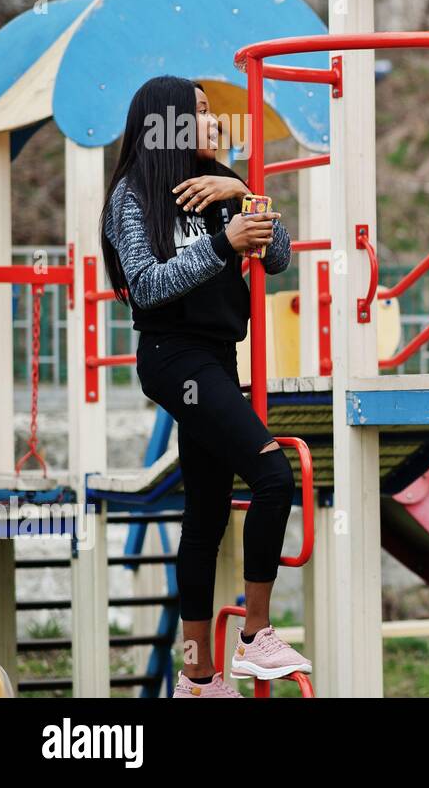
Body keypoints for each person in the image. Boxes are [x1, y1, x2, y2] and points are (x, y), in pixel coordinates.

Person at [100, 76, 310, 698]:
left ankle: (197, 678)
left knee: (207, 513)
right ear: (160, 122)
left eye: (208, 109)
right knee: (273, 476)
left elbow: (278, 259)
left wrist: (245, 192)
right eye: (193, 110)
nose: (209, 118)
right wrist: (223, 243)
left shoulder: (223, 184)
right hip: (173, 357)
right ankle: (255, 637)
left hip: (220, 356)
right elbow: (146, 285)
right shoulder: (133, 196)